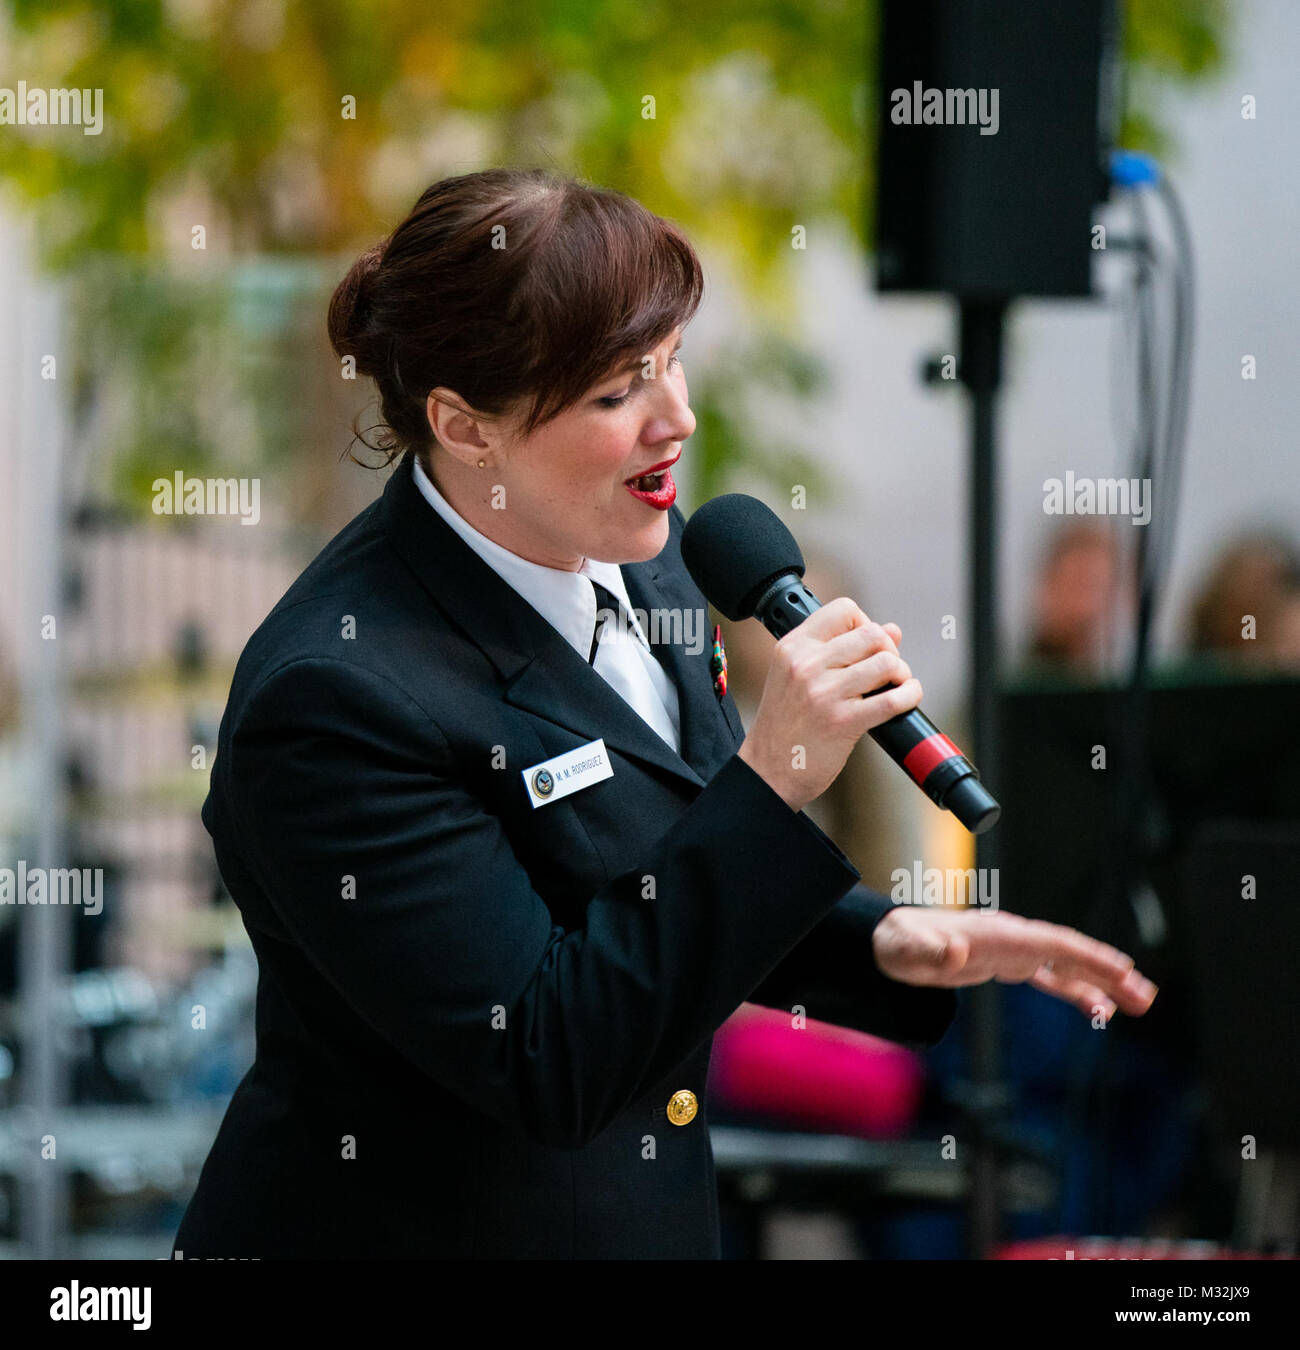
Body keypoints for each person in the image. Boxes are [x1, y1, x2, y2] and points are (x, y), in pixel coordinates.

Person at [171, 168, 1157, 1260]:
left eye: (673, 360)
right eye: (615, 392)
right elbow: (547, 1054)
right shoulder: (337, 693)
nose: (676, 419)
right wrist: (775, 771)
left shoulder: (651, 559)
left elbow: (649, 877)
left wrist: (882, 941)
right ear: (463, 424)